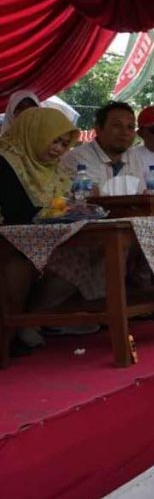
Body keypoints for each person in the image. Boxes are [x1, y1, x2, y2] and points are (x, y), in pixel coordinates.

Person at [0, 108, 80, 354]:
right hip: (8, 240)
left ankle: (27, 324)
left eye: (64, 144)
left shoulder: (59, 170)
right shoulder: (5, 160)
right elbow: (17, 211)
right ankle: (8, 337)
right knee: (17, 265)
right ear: (34, 133)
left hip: (40, 240)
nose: (58, 149)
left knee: (80, 261)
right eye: (54, 140)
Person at [62, 101, 145, 194]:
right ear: (98, 129)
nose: (125, 132)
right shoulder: (78, 158)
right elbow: (91, 201)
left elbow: (143, 195)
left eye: (130, 127)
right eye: (117, 125)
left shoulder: (135, 157)